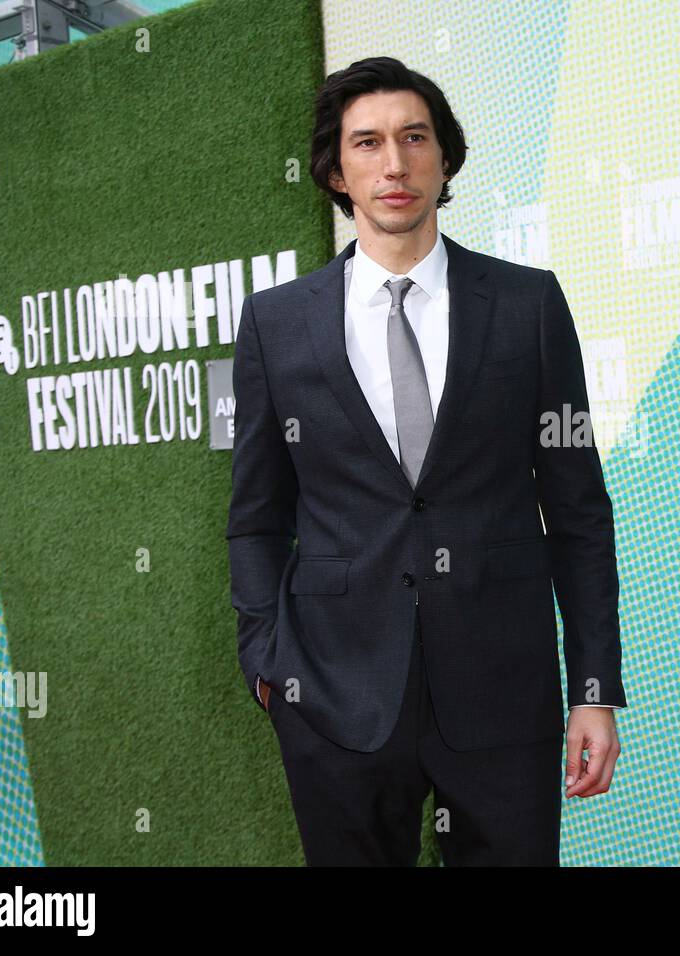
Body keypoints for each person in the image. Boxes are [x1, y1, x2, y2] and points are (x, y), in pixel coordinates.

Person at [225, 56, 626, 866]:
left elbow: (580, 512)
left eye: (415, 138)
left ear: (446, 159)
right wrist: (267, 656)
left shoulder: (527, 306)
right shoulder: (277, 324)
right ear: (336, 171)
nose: (395, 163)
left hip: (503, 692)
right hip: (332, 694)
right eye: (367, 143)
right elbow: (256, 517)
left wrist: (595, 688)